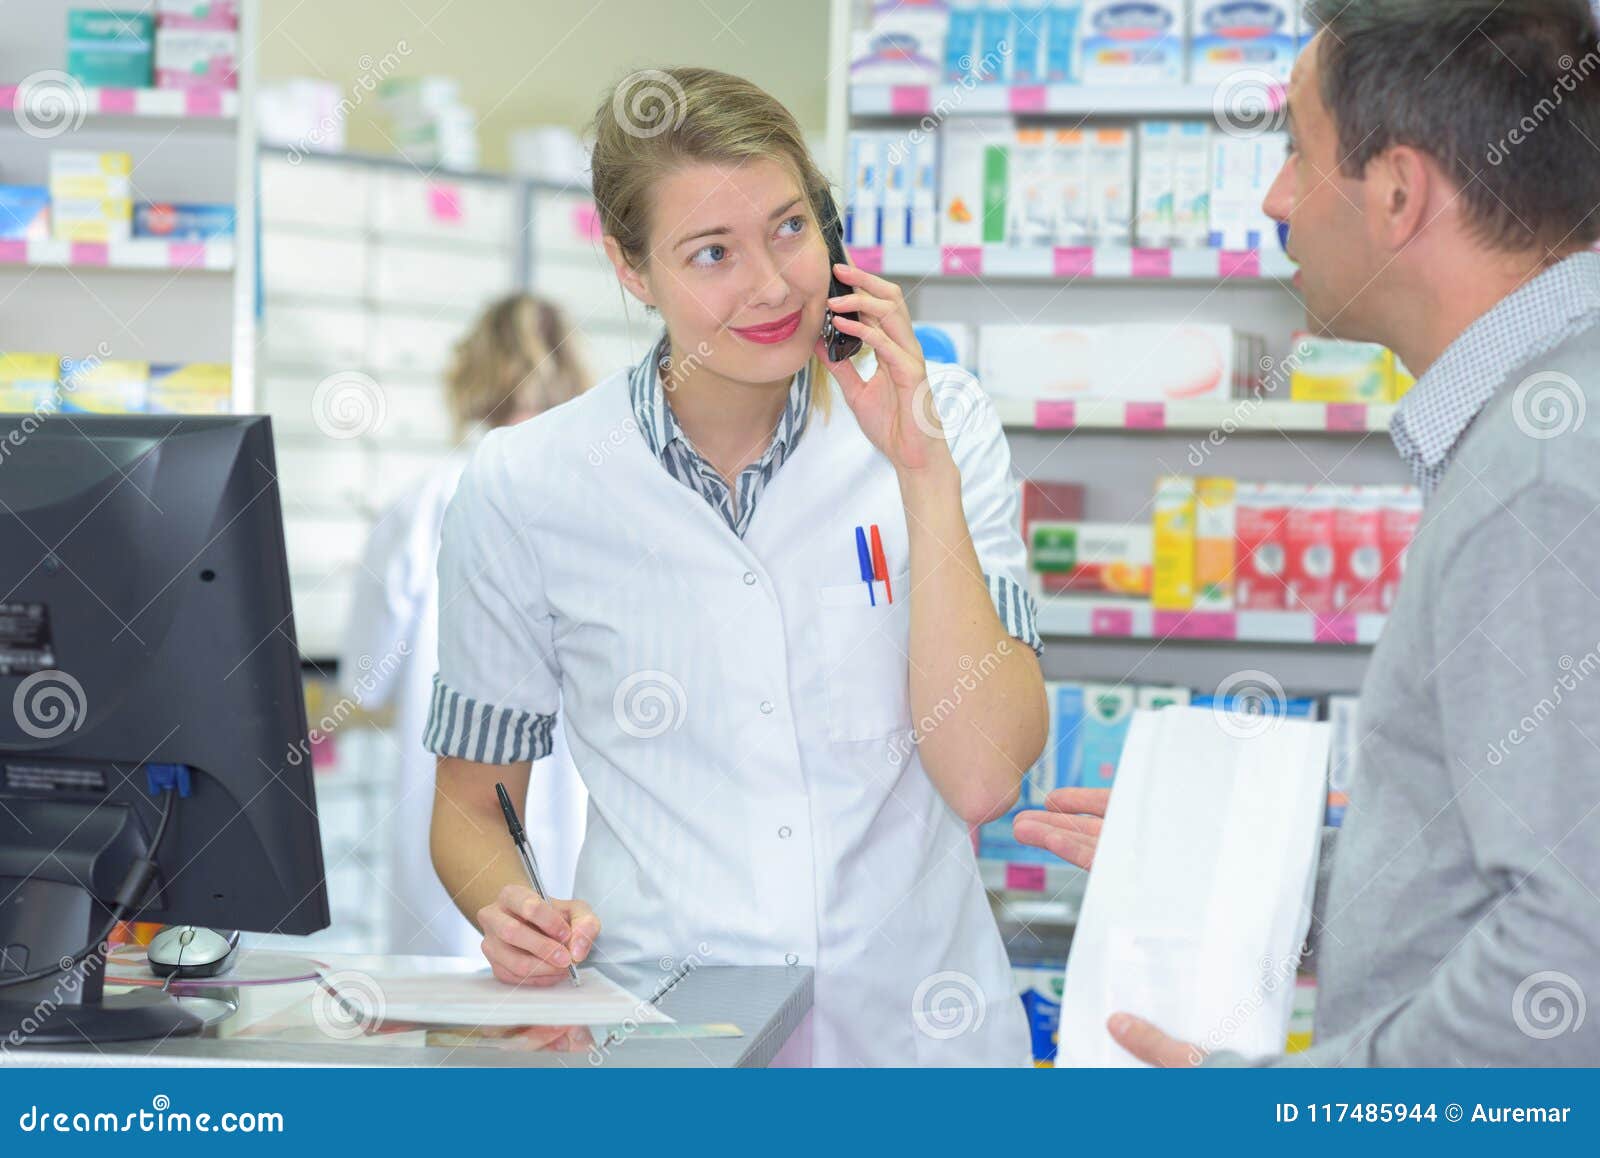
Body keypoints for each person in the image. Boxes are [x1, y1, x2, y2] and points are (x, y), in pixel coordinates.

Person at [423, 67, 1048, 1065]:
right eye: (711, 252)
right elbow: (468, 806)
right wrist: (513, 907)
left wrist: (920, 473)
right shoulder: (527, 482)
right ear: (633, 271)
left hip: (919, 1045)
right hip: (667, 1043)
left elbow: (981, 777)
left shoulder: (946, 421)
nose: (770, 284)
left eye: (790, 228)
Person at [1017, 0, 1600, 1066]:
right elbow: (1523, 866)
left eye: (1296, 148)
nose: (1275, 196)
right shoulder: (1547, 410)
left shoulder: (1546, 463)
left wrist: (1291, 1109)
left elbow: (1568, 965)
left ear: (1395, 192)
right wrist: (1234, 889)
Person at [340, 293, 591, 958]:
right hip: (580, 846)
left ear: (470, 377)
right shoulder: (601, 502)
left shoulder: (423, 506)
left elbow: (366, 682)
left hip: (456, 852)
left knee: (458, 1036)